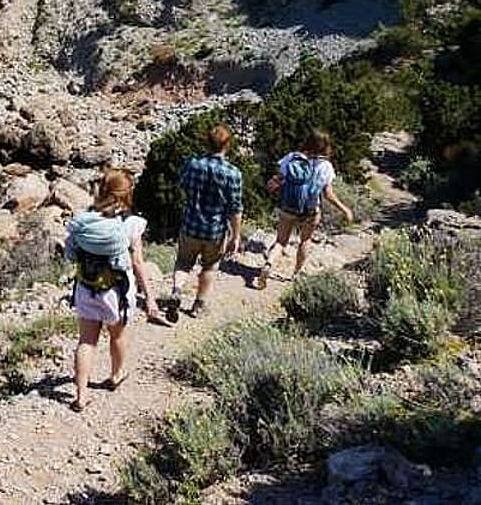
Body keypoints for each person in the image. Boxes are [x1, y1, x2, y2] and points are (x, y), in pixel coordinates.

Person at [64, 168, 148, 411]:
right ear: (125, 194)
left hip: (86, 288)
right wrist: (149, 298)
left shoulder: (82, 221)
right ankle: (116, 374)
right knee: (117, 335)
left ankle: (81, 395)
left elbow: (70, 254)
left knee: (86, 341)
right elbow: (137, 262)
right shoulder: (129, 224)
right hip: (115, 292)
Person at [161, 124, 243, 319]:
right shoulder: (233, 173)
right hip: (215, 231)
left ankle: (177, 290)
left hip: (190, 224)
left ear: (207, 142)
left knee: (183, 262)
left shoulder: (193, 164)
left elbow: (181, 185)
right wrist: (235, 236)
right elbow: (236, 208)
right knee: (210, 266)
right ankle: (198, 305)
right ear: (227, 145)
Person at [256, 129, 354, 289]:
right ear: (326, 147)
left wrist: (273, 185)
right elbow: (328, 194)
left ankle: (269, 264)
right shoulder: (326, 166)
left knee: (281, 241)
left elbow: (278, 179)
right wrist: (344, 209)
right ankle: (296, 274)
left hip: (288, 206)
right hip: (310, 210)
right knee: (305, 240)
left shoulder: (292, 157)